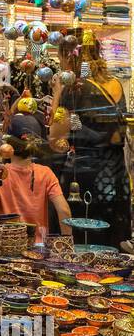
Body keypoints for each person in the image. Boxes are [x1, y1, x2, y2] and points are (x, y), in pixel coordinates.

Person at [49, 30, 131, 248]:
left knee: (86, 239)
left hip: (85, 173)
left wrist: (58, 93)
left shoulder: (75, 87)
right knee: (112, 241)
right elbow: (91, 124)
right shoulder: (115, 84)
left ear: (69, 57)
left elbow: (56, 134)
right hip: (116, 173)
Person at [0, 134, 73, 237]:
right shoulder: (45, 173)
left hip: (8, 243)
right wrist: (67, 241)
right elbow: (64, 210)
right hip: (39, 246)